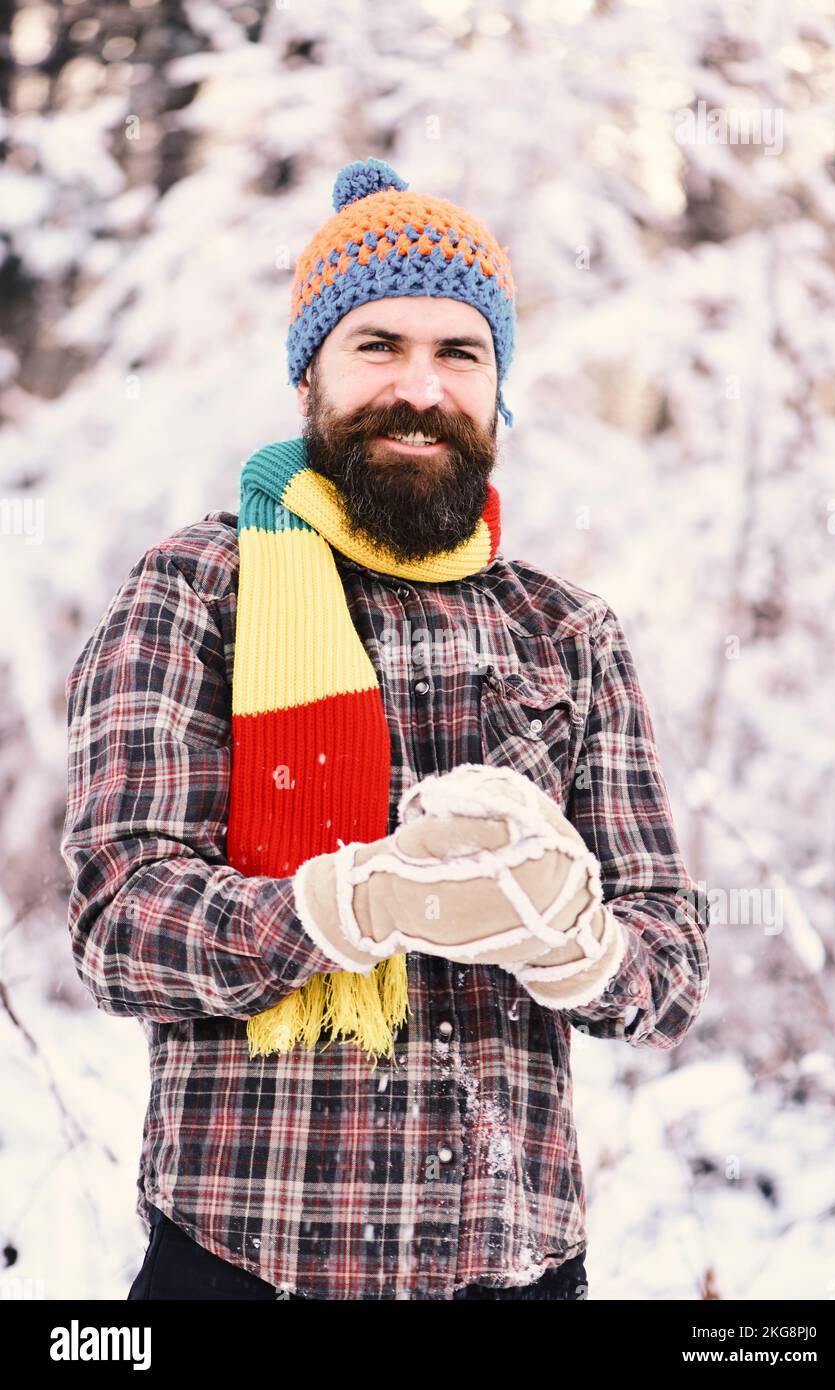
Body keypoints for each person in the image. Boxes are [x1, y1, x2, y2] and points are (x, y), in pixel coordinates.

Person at [61, 157, 709, 1302]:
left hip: (514, 1270)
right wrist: (351, 905)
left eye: (459, 352)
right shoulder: (195, 590)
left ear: (497, 388)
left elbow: (670, 960)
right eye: (378, 346)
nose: (421, 387)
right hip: (241, 1260)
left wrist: (578, 944)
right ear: (311, 374)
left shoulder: (570, 633)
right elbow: (119, 922)